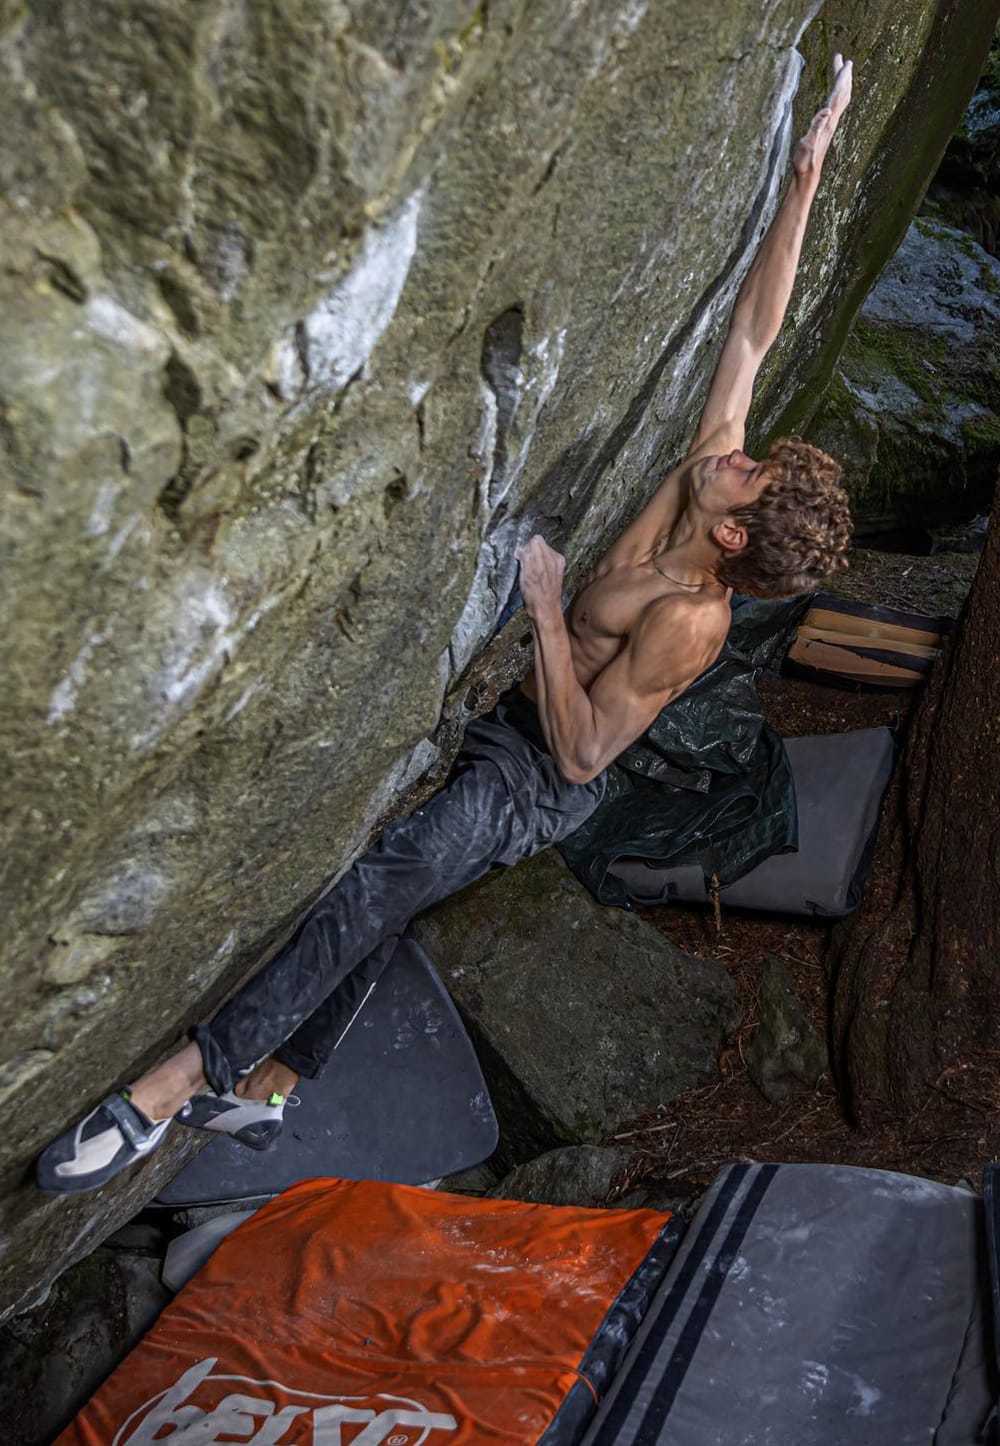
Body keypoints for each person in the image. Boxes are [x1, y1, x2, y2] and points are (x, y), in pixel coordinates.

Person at [38, 56, 853, 1194]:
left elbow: (584, 752)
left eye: (751, 475)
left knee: (391, 872)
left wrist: (546, 612)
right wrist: (806, 175)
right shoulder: (701, 476)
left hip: (541, 778)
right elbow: (755, 333)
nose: (739, 453)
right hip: (522, 715)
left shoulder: (690, 624)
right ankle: (272, 1090)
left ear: (733, 535)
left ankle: (176, 1084)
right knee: (394, 897)